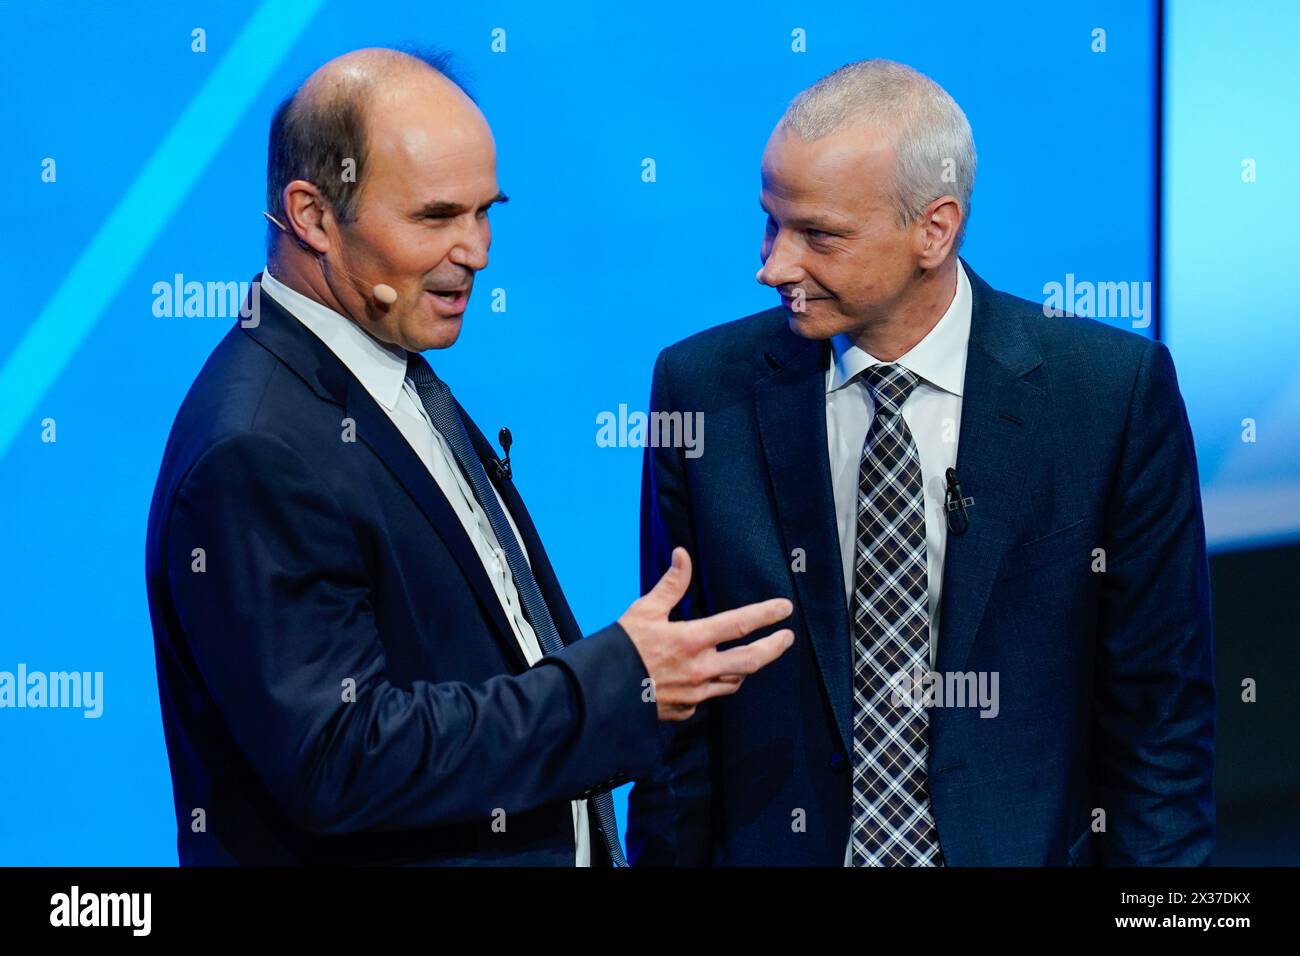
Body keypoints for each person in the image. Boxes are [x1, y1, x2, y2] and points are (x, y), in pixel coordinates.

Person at [144, 47, 793, 866]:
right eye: (436, 216)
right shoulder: (257, 446)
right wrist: (611, 685)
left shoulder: (383, 364)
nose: (477, 250)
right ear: (310, 216)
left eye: (486, 212)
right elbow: (337, 758)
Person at [626, 59, 1214, 866]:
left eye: (818, 235)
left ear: (933, 229)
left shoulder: (1109, 395)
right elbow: (681, 722)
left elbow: (1162, 717)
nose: (773, 266)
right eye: (771, 223)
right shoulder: (701, 392)